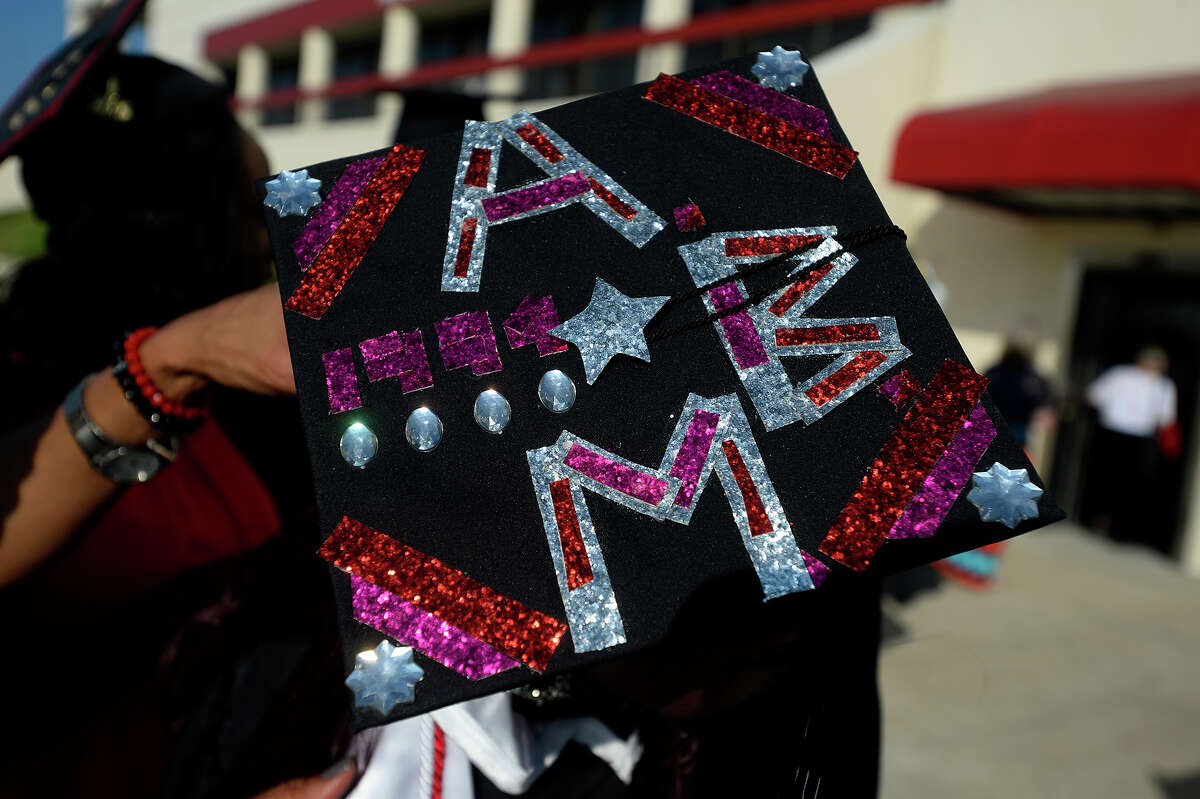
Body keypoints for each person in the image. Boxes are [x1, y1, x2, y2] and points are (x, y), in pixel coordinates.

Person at [1084, 346, 1178, 541]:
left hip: (1117, 433)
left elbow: (1093, 397)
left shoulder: (1120, 374)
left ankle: (1100, 520)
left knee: (1108, 478)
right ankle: (1114, 526)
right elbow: (1166, 419)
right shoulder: (1162, 385)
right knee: (1125, 483)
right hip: (1133, 436)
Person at [984, 343, 1053, 447]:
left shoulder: (995, 372)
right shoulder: (1031, 377)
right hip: (1002, 426)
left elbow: (1043, 403)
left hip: (1014, 427)